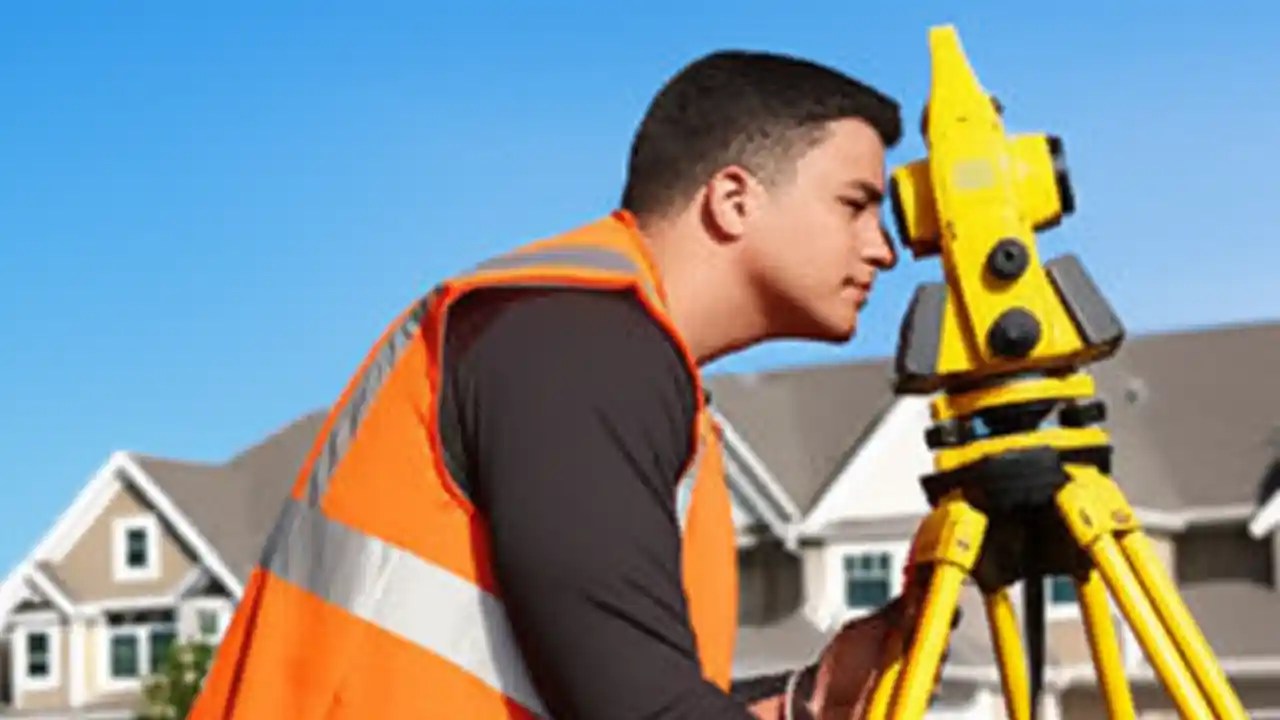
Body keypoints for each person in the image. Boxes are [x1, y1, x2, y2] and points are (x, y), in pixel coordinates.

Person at [189, 49, 930, 720]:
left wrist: (807, 702)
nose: (884, 248)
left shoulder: (601, 348)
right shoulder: (577, 341)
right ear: (733, 200)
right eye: (856, 204)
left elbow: (610, 684)